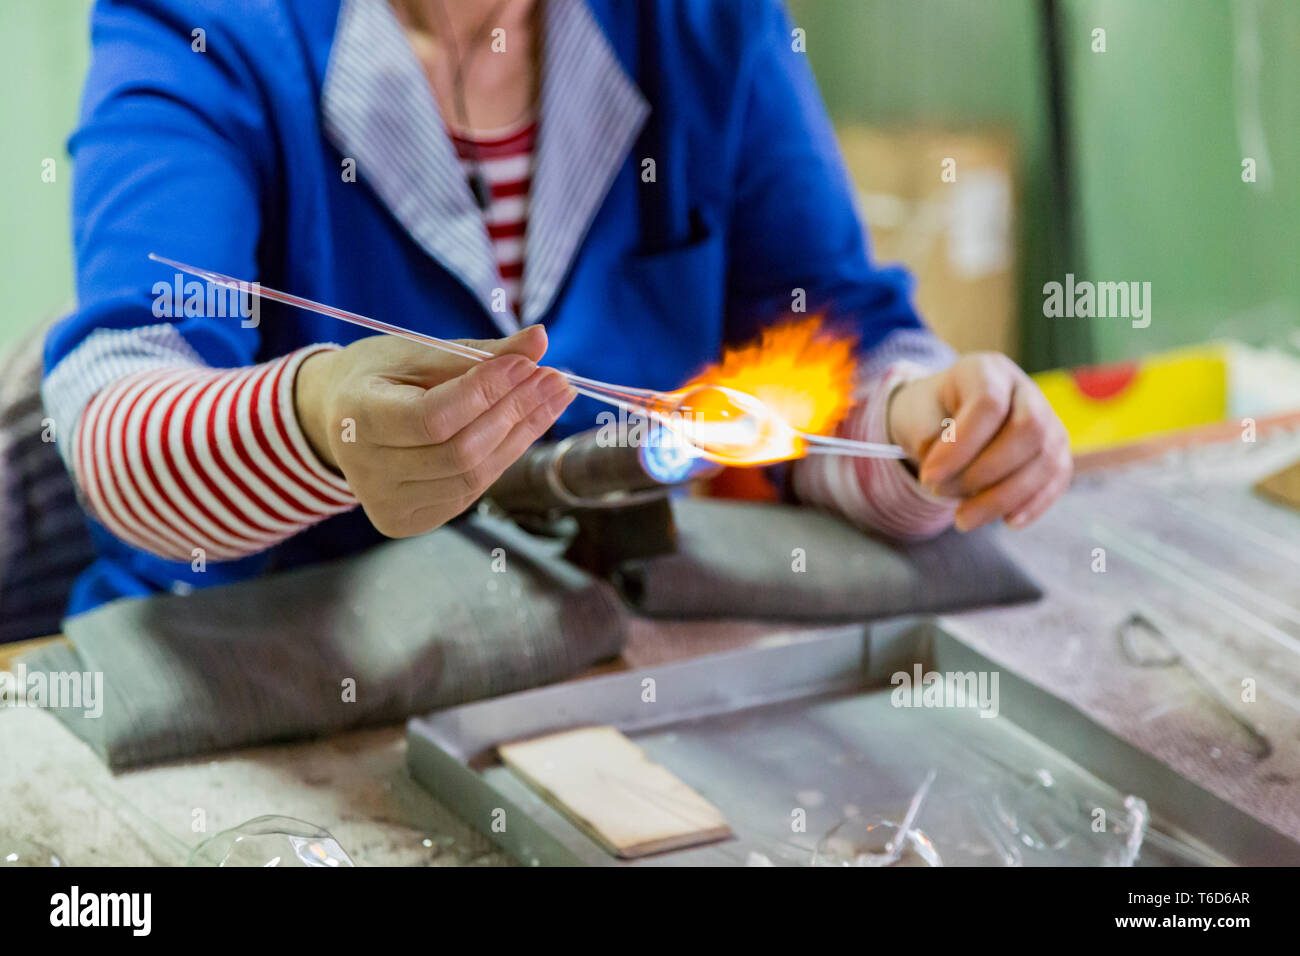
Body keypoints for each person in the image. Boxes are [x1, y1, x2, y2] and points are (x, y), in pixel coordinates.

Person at [43, 0, 1072, 616]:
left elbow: (837, 343)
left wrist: (925, 432)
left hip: (583, 664)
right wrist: (315, 424)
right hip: (268, 679)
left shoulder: (704, 23)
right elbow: (112, 408)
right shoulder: (204, 27)